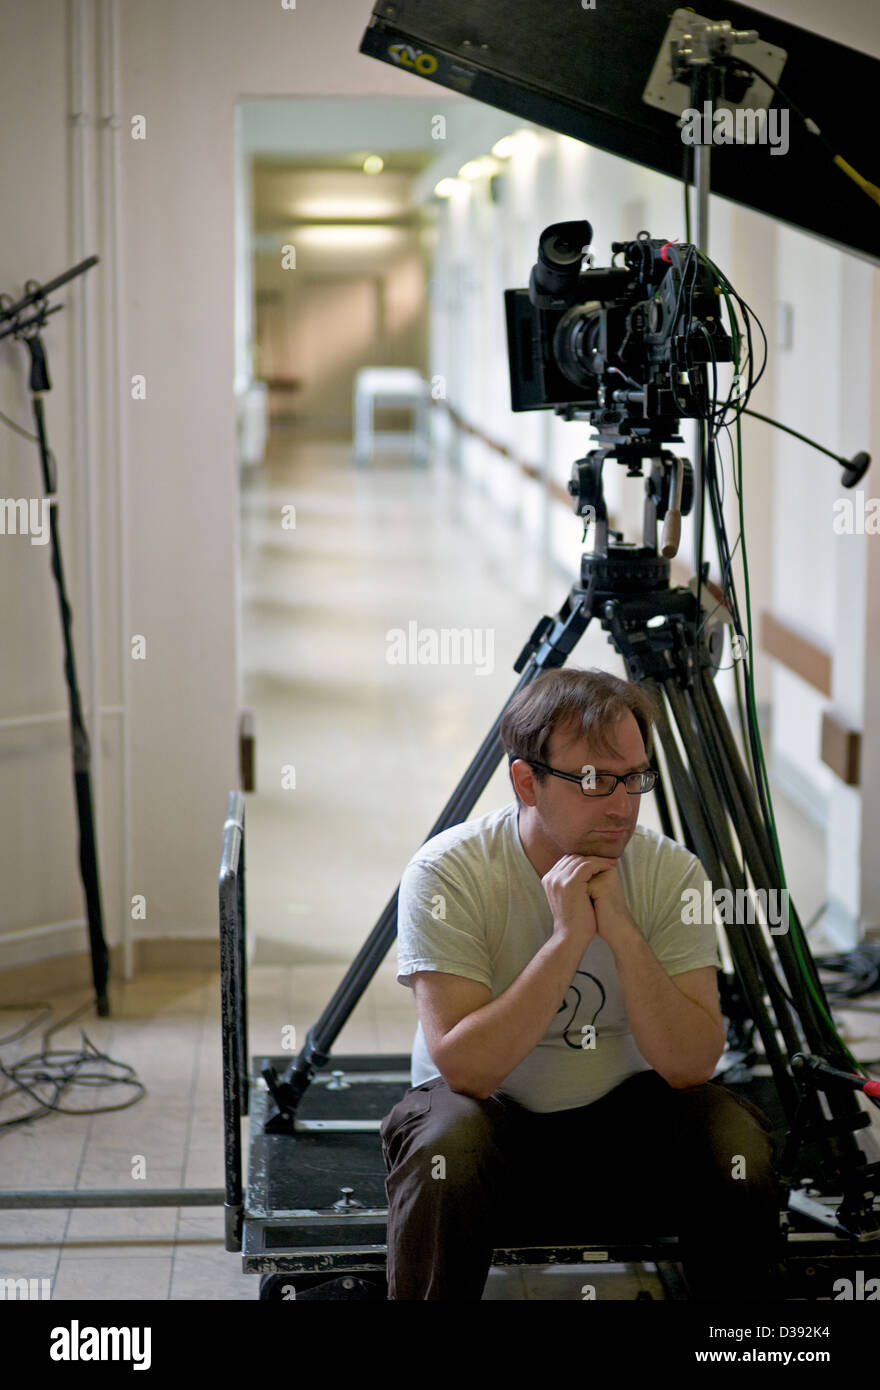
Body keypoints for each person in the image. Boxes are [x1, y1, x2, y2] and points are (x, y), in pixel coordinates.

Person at [380, 666, 784, 1301]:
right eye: (594, 780)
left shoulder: (671, 874)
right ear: (526, 782)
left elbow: (690, 1063)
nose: (622, 806)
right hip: (490, 1122)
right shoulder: (447, 874)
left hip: (624, 1121)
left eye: (635, 779)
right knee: (446, 1145)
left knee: (736, 1137)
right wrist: (567, 939)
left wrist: (620, 932)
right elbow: (466, 1069)